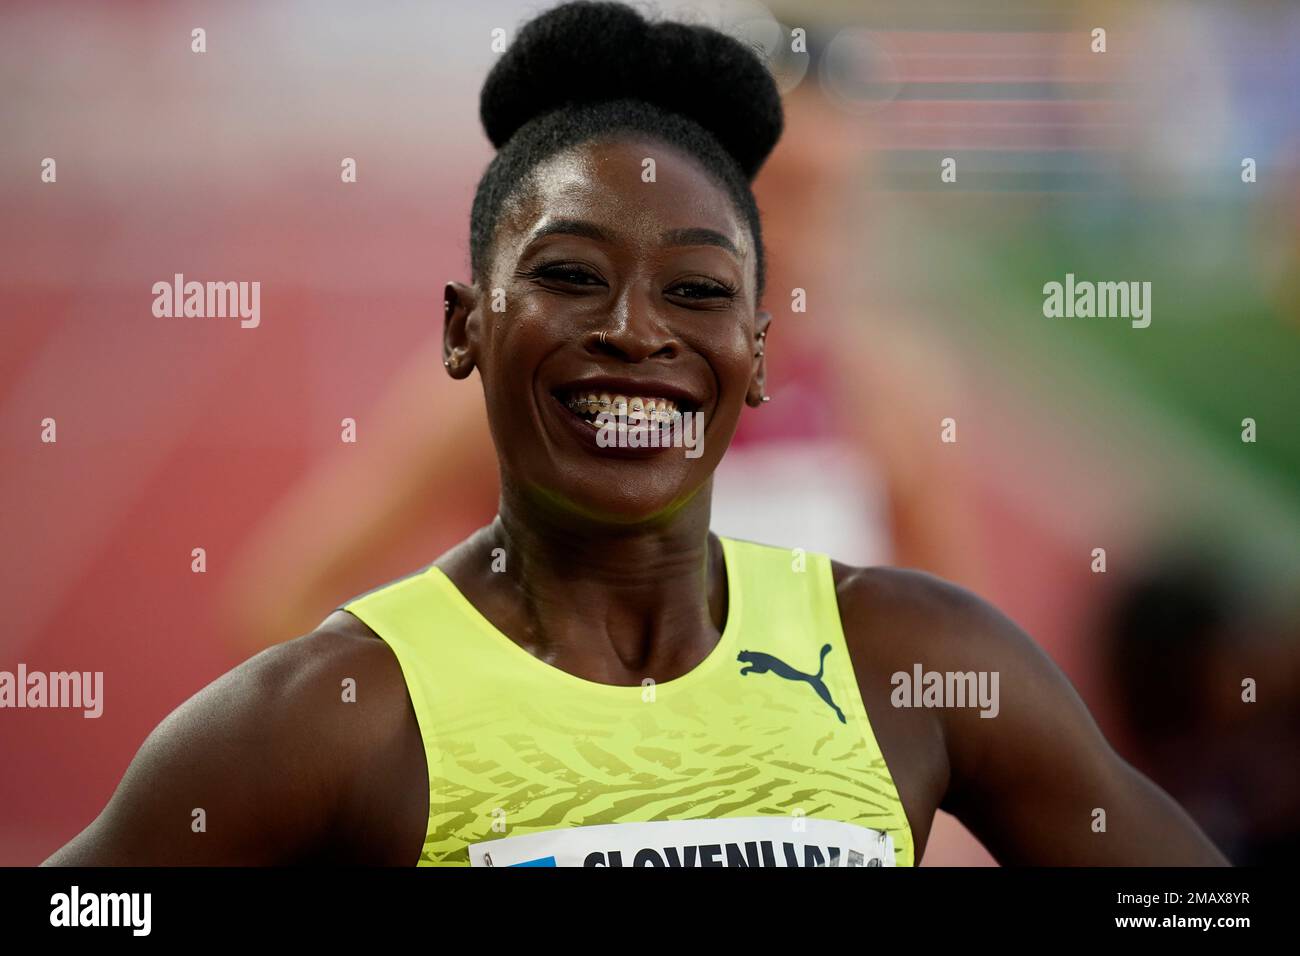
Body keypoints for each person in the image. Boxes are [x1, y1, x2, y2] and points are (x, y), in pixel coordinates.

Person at [44, 1, 1225, 867]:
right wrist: (442, 729)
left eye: (835, 194)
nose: (816, 228)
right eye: (786, 190)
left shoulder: (893, 410)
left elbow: (960, 689)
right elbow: (278, 595)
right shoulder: (342, 696)